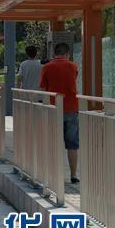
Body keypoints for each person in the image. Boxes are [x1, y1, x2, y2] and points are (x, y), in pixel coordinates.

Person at [40, 42, 80, 184]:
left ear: (54, 54)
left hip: (53, 108)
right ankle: (74, 175)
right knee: (72, 145)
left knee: (53, 142)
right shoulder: (73, 66)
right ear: (67, 54)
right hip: (71, 108)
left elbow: (44, 88)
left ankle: (54, 174)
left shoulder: (47, 67)